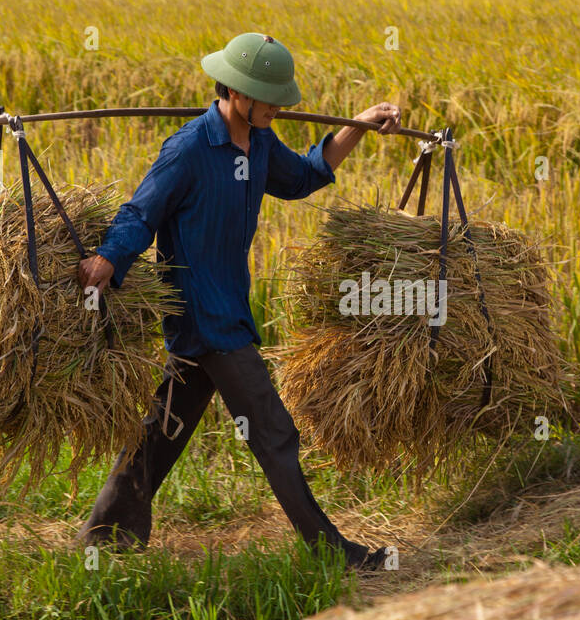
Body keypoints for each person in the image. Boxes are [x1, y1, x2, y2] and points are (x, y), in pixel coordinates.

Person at [75, 32, 399, 571]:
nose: (278, 106)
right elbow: (141, 212)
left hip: (224, 308)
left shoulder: (260, 144)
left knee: (162, 431)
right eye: (269, 96)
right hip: (208, 318)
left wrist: (357, 127)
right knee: (274, 433)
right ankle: (332, 555)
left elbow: (306, 177)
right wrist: (109, 260)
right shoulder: (189, 150)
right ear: (237, 93)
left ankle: (104, 539)